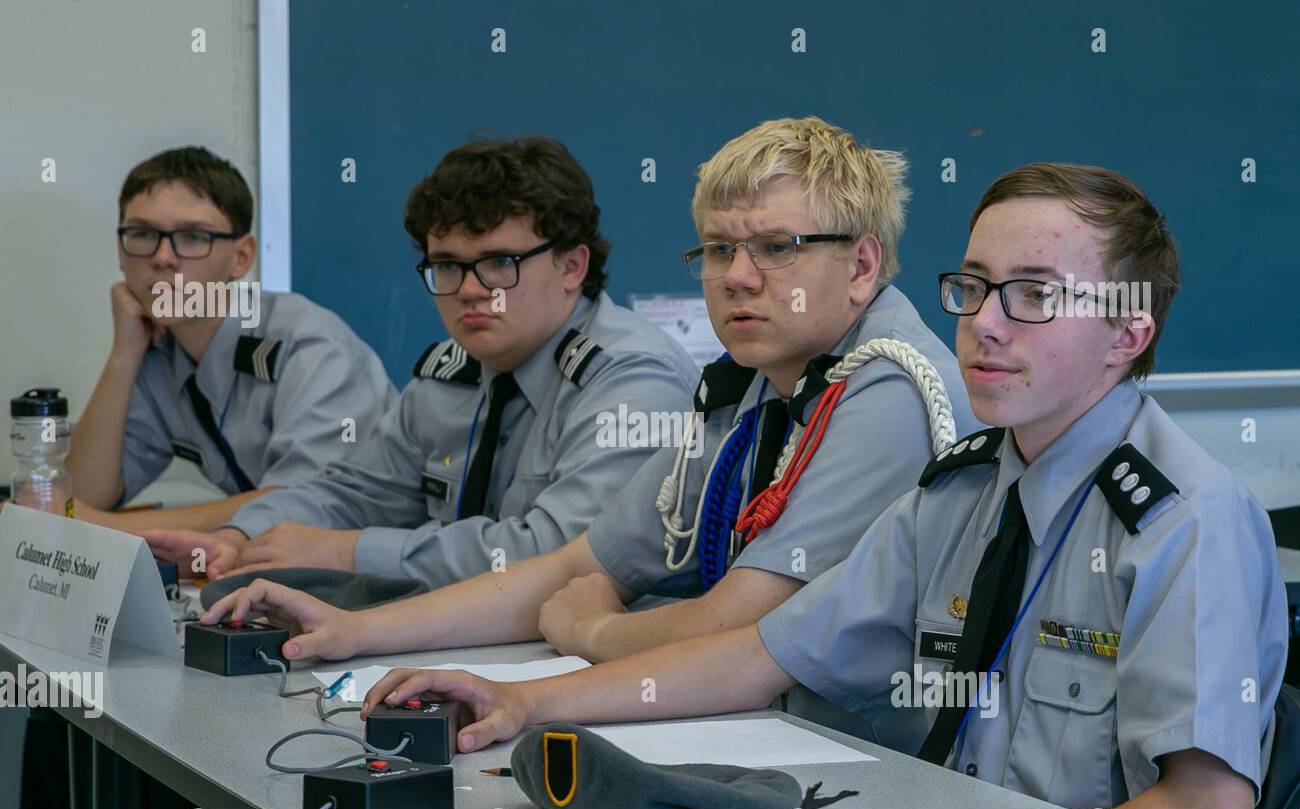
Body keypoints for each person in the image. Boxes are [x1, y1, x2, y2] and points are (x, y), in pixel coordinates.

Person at [222, 162, 1285, 809]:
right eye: (973, 287)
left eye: (1035, 296)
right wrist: (533, 706)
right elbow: (762, 653)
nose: (987, 325)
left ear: (1127, 331)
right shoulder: (966, 488)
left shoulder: (1187, 519)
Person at [201, 117, 976, 742]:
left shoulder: (888, 389)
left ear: (863, 266)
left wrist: (595, 631)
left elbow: (741, 620)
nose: (737, 275)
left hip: (875, 775)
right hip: (753, 732)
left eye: (777, 248)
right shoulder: (756, 386)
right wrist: (357, 631)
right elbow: (571, 562)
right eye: (717, 248)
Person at [148, 136, 698, 586]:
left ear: (572, 265)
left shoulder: (631, 378)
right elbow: (354, 492)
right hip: (468, 652)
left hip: (607, 675)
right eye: (447, 266)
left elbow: (556, 556)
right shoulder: (451, 373)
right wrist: (240, 538)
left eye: (499, 263)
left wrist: (350, 553)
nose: (469, 291)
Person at [67, 146, 396, 533]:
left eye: (192, 237)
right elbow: (83, 495)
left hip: (386, 574)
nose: (162, 257)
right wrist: (124, 354)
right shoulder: (158, 352)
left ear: (241, 257)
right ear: (121, 253)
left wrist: (109, 528)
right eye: (142, 234)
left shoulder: (309, 346)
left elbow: (300, 504)